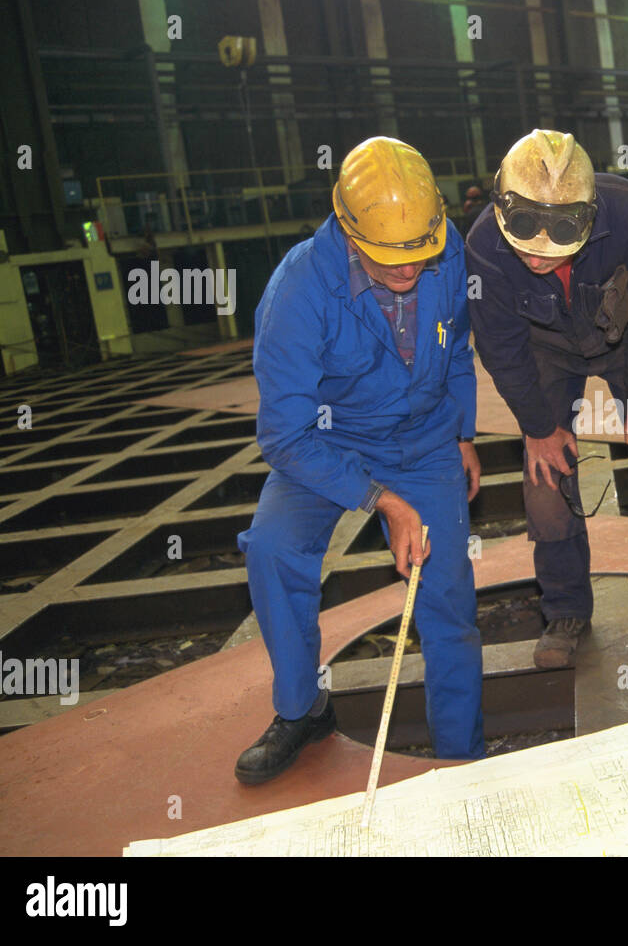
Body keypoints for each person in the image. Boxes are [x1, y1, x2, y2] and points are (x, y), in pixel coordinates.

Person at [235, 136, 484, 783]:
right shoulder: (297, 292)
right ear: (348, 233)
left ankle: (462, 757)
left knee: (448, 596)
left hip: (426, 435)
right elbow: (284, 436)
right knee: (272, 548)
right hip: (329, 441)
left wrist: (463, 432)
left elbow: (456, 343)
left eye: (420, 256)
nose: (410, 271)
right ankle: (300, 708)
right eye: (389, 260)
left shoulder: (446, 246)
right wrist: (380, 498)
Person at [466, 129, 628, 668]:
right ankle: (565, 609)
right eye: (526, 246)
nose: (537, 259)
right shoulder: (485, 245)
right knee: (545, 485)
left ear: (587, 212)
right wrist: (537, 427)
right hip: (544, 353)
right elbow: (500, 347)